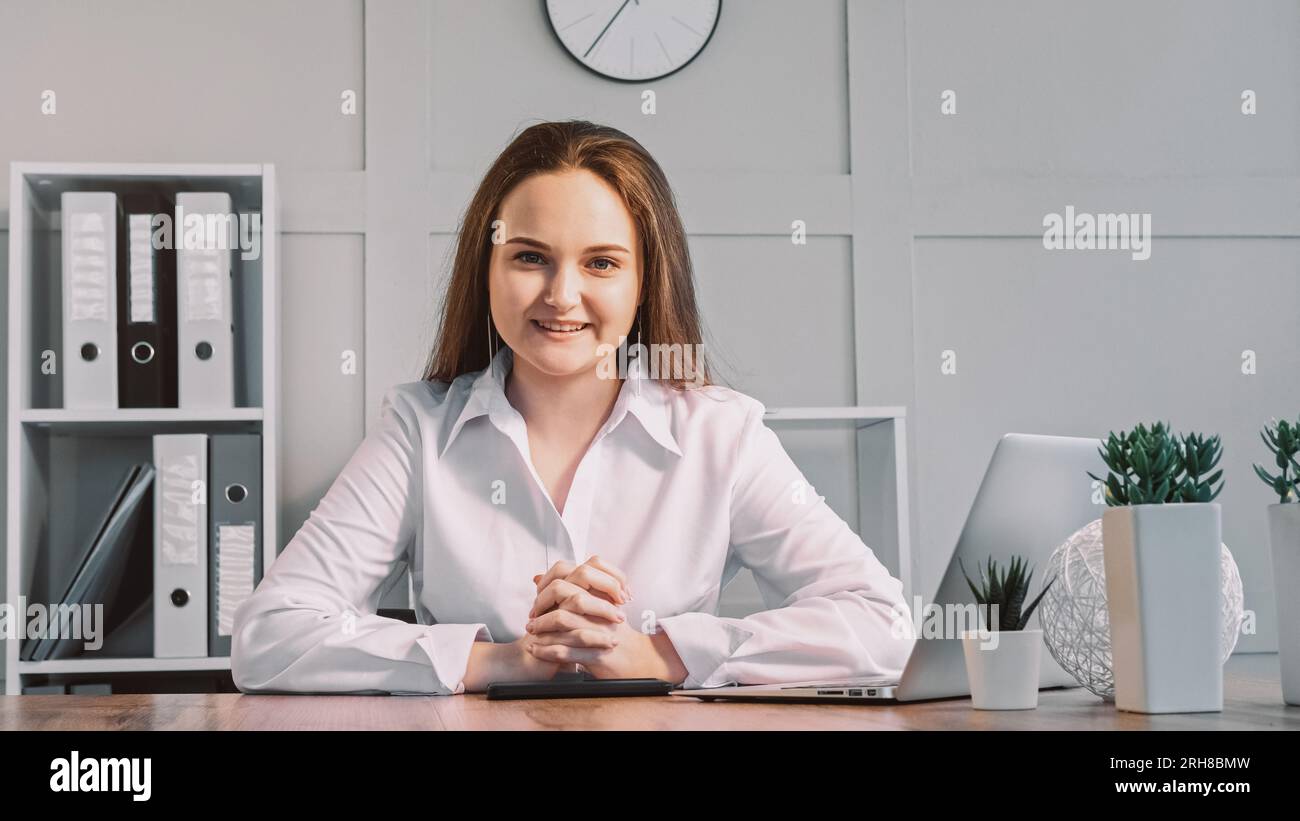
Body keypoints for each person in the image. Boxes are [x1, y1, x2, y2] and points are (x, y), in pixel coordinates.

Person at [231, 120, 913, 695]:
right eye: (530, 257)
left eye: (602, 263)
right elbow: (269, 633)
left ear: (646, 280)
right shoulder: (418, 429)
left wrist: (657, 654)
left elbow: (882, 622)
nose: (561, 294)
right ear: (487, 269)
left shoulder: (721, 433)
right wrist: (502, 660)